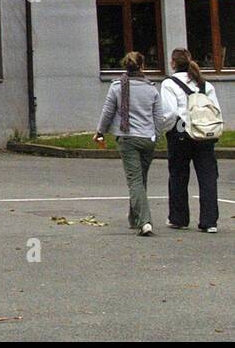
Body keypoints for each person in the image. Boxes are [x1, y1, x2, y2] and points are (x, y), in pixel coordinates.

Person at [95, 51, 170, 236]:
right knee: (140, 179)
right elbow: (158, 118)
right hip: (147, 139)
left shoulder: (117, 87)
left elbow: (108, 112)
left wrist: (100, 132)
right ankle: (134, 218)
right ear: (142, 66)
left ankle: (145, 222)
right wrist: (156, 136)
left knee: (135, 180)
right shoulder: (151, 89)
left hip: (127, 138)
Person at [160, 48, 222, 233]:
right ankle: (209, 221)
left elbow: (170, 112)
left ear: (173, 63)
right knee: (208, 177)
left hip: (181, 134)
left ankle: (179, 218)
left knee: (178, 175)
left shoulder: (169, 84)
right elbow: (215, 110)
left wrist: (166, 129)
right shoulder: (205, 85)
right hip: (205, 135)